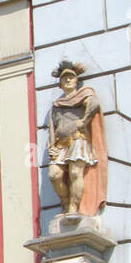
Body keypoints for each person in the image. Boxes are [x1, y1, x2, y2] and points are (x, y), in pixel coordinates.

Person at [47, 61, 107, 215]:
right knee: (54, 175)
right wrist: (51, 146)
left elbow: (93, 104)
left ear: (76, 80)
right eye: (64, 78)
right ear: (60, 83)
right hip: (61, 144)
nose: (67, 80)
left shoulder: (83, 94)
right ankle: (66, 202)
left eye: (71, 77)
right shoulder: (57, 104)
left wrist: (84, 121)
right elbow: (52, 127)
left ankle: (74, 208)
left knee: (75, 174)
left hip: (77, 139)